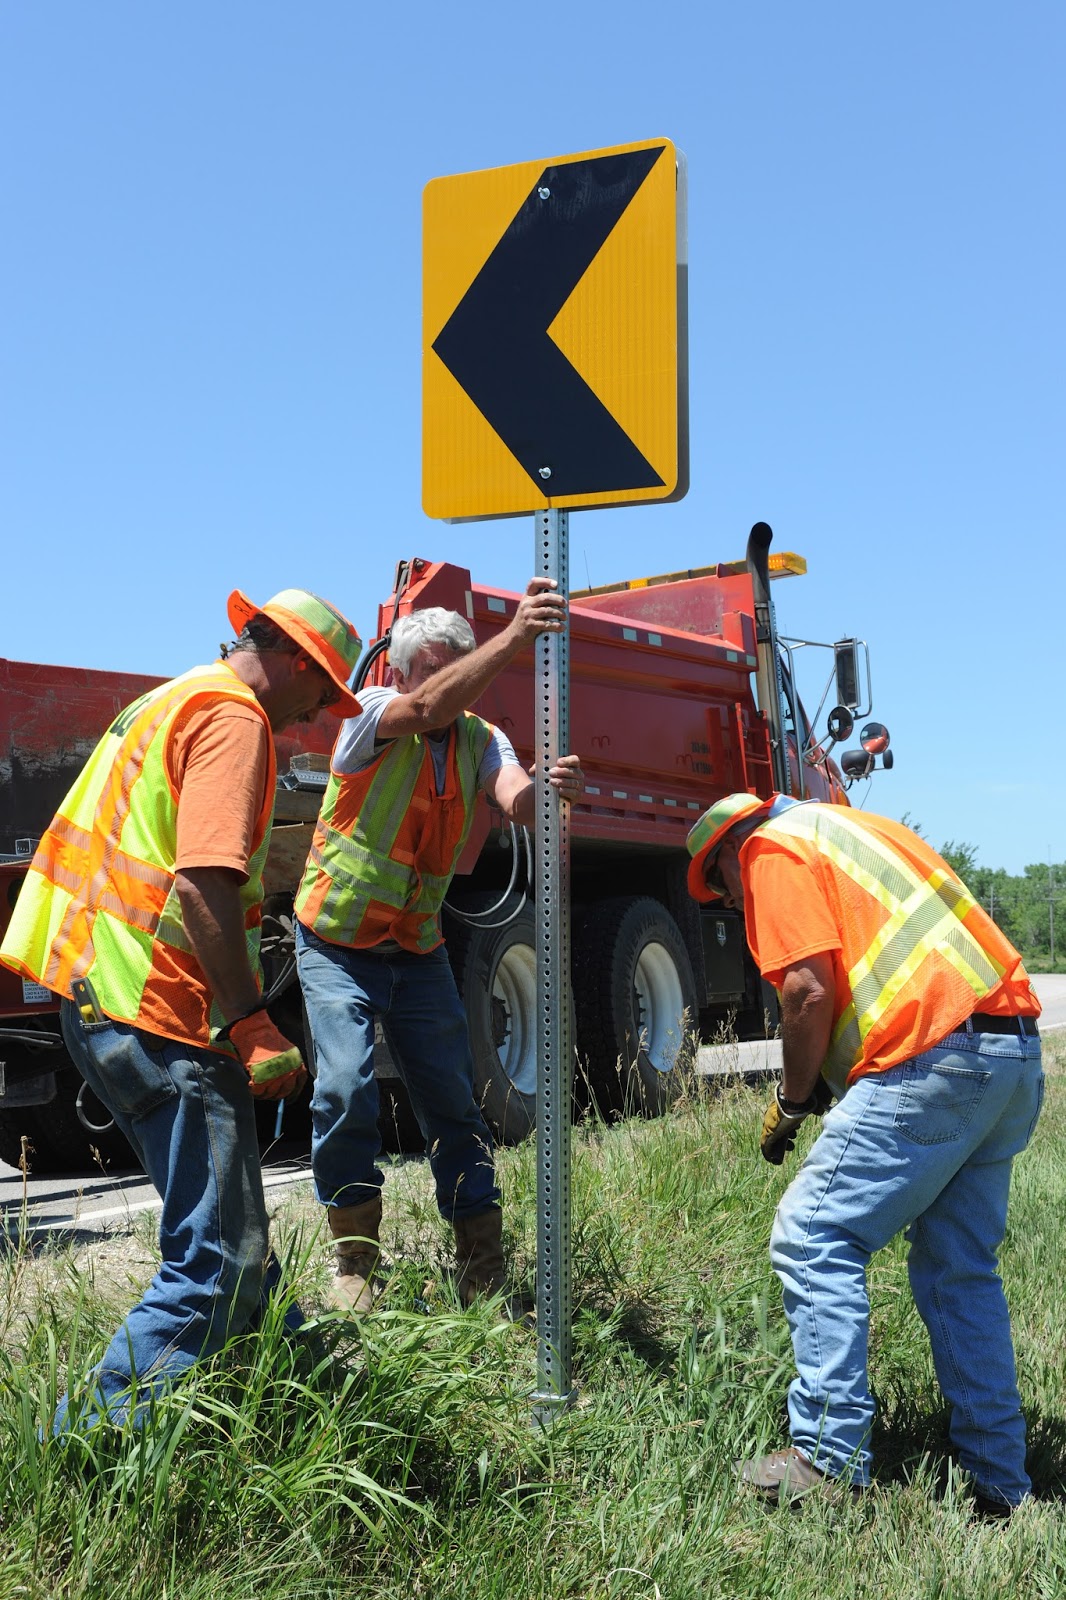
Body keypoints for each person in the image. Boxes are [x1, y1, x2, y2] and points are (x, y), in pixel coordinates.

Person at [0, 587, 363, 1431]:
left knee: (237, 1246)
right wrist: (251, 1020)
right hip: (159, 1011)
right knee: (219, 1263)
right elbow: (203, 882)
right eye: (322, 696)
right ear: (297, 664)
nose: (316, 719)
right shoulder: (236, 720)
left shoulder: (168, 699)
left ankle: (322, 1407)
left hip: (96, 998)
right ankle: (83, 1451)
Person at [686, 792, 1043, 1517]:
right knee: (958, 1270)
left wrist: (791, 1100)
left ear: (727, 851)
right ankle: (1000, 1481)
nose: (732, 898)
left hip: (934, 1056)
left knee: (813, 1236)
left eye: (721, 886)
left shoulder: (769, 849)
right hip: (1009, 1053)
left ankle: (827, 1454)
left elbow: (808, 988)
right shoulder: (856, 828)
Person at [294, 577, 582, 1313]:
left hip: (416, 950)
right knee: (344, 1088)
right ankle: (354, 1262)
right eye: (437, 668)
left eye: (461, 666)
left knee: (454, 1105)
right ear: (402, 671)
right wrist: (515, 637)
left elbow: (513, 796)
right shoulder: (368, 715)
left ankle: (482, 1267)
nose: (452, 687)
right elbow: (425, 707)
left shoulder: (480, 739)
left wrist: (547, 792)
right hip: (338, 945)